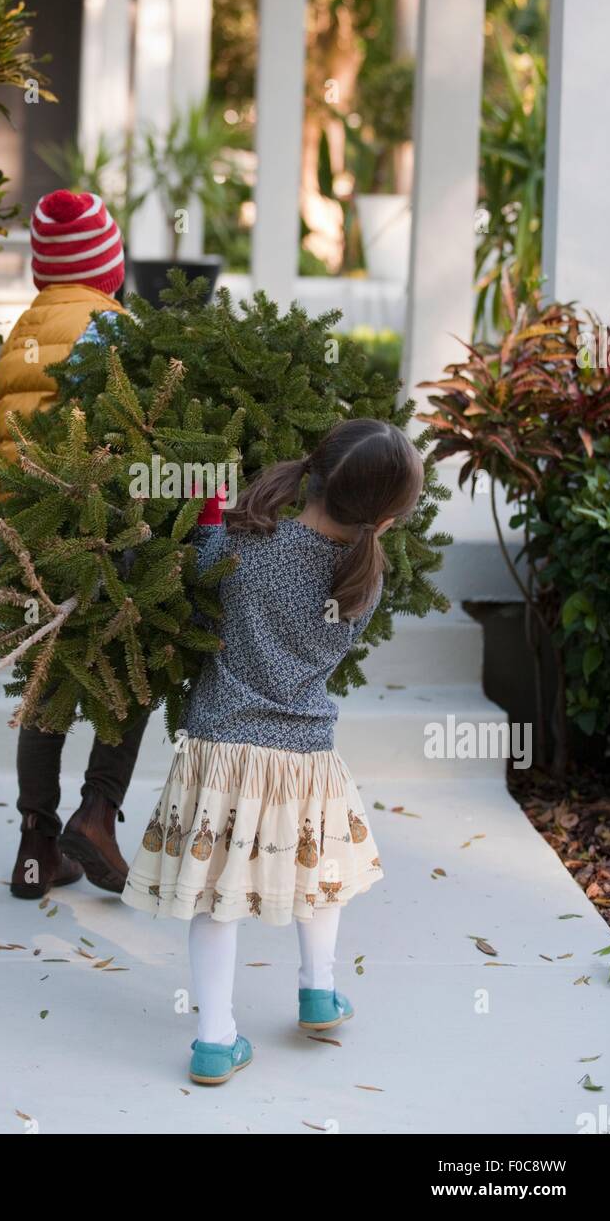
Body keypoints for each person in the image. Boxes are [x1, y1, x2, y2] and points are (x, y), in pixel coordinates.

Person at [122, 419, 424, 1085]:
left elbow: (201, 574)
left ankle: (214, 1039)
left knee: (211, 900)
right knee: (320, 880)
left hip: (223, 749)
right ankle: (319, 991)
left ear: (315, 474)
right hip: (304, 758)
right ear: (386, 517)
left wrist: (210, 512)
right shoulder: (362, 579)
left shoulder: (247, 546)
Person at [0, 187, 148, 899]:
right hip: (97, 537)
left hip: (27, 539)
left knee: (46, 686)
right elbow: (131, 433)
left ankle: (34, 846)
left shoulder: (21, 326)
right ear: (109, 267)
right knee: (130, 670)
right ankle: (97, 812)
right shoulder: (111, 329)